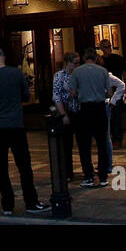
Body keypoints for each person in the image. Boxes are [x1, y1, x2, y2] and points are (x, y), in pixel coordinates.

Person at [0, 47, 49, 215]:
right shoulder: (16, 74)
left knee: (1, 168)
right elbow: (26, 96)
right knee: (24, 166)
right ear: (4, 57)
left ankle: (7, 205)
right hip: (16, 126)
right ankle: (31, 202)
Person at [69, 48, 112, 187]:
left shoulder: (77, 72)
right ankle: (103, 176)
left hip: (85, 109)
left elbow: (73, 93)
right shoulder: (103, 71)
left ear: (83, 58)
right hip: (99, 107)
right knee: (102, 142)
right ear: (96, 57)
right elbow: (110, 92)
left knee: (84, 144)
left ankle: (88, 176)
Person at [51, 51, 79, 182]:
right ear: (68, 63)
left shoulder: (78, 75)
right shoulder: (59, 76)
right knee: (66, 144)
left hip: (78, 111)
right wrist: (63, 114)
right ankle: (68, 171)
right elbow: (56, 96)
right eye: (75, 63)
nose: (77, 65)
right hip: (67, 111)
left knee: (82, 141)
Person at [99, 39, 126, 149]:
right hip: (105, 91)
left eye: (109, 46)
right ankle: (110, 137)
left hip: (117, 90)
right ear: (102, 49)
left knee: (117, 116)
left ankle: (117, 138)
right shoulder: (100, 62)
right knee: (108, 117)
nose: (108, 49)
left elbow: (125, 73)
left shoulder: (118, 59)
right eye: (105, 47)